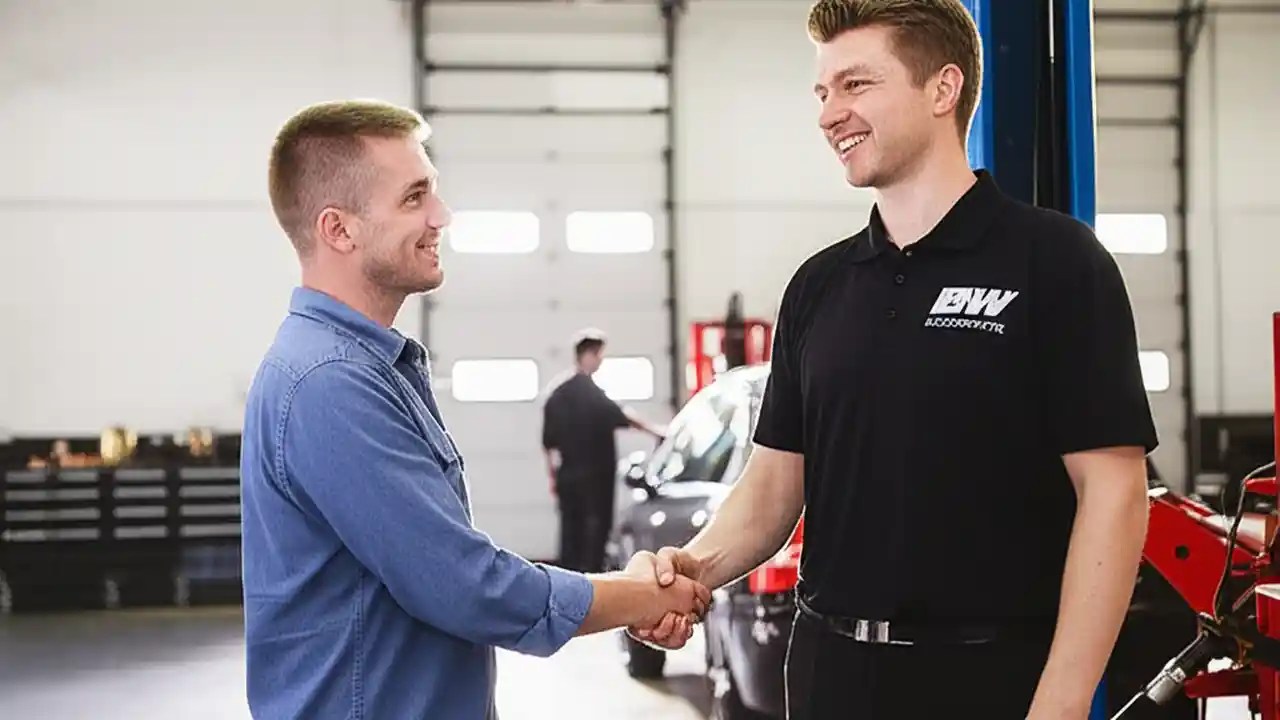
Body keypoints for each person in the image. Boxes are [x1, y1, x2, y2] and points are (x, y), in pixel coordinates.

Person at [629, 1, 1158, 718]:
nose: (828, 114)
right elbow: (774, 488)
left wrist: (1061, 707)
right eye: (822, 92)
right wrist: (694, 568)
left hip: (991, 679)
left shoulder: (1057, 263)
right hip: (828, 674)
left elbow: (1115, 496)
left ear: (942, 90)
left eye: (855, 84)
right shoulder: (819, 287)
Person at [239, 99, 708, 720]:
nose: (441, 216)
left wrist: (634, 594)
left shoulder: (370, 365)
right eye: (414, 198)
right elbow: (463, 587)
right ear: (339, 229)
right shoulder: (332, 382)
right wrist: (638, 596)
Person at [541, 329, 665, 573]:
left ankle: (568, 583)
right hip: (595, 480)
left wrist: (553, 478)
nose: (600, 361)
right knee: (594, 537)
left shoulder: (557, 393)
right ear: (587, 355)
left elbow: (548, 445)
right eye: (598, 355)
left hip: (569, 478)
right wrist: (656, 432)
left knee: (571, 535)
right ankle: (591, 588)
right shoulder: (591, 393)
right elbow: (623, 417)